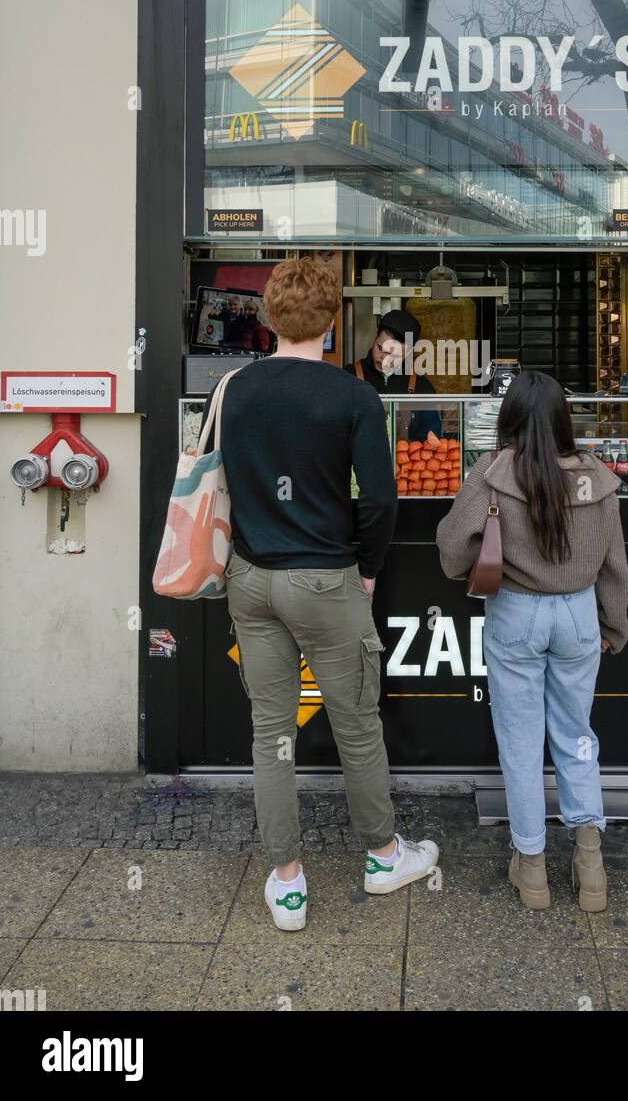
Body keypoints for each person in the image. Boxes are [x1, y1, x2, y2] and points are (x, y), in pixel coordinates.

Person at [201, 256, 439, 932]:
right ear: (332, 323)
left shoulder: (233, 390)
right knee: (356, 726)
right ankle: (383, 856)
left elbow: (218, 479)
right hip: (324, 577)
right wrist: (365, 567)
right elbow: (380, 500)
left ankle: (287, 884)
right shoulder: (352, 397)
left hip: (249, 579)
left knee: (270, 735)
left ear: (269, 318)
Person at [435, 369, 628, 914]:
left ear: (510, 419)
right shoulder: (599, 477)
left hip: (516, 615)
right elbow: (615, 565)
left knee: (520, 746)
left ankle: (533, 870)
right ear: (565, 419)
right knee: (576, 736)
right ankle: (591, 868)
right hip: (579, 615)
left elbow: (452, 549)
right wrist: (613, 626)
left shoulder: (493, 471)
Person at [345, 308, 441, 444]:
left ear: (408, 354)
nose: (384, 359)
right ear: (375, 338)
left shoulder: (421, 386)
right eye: (380, 349)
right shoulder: (349, 377)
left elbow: (433, 440)